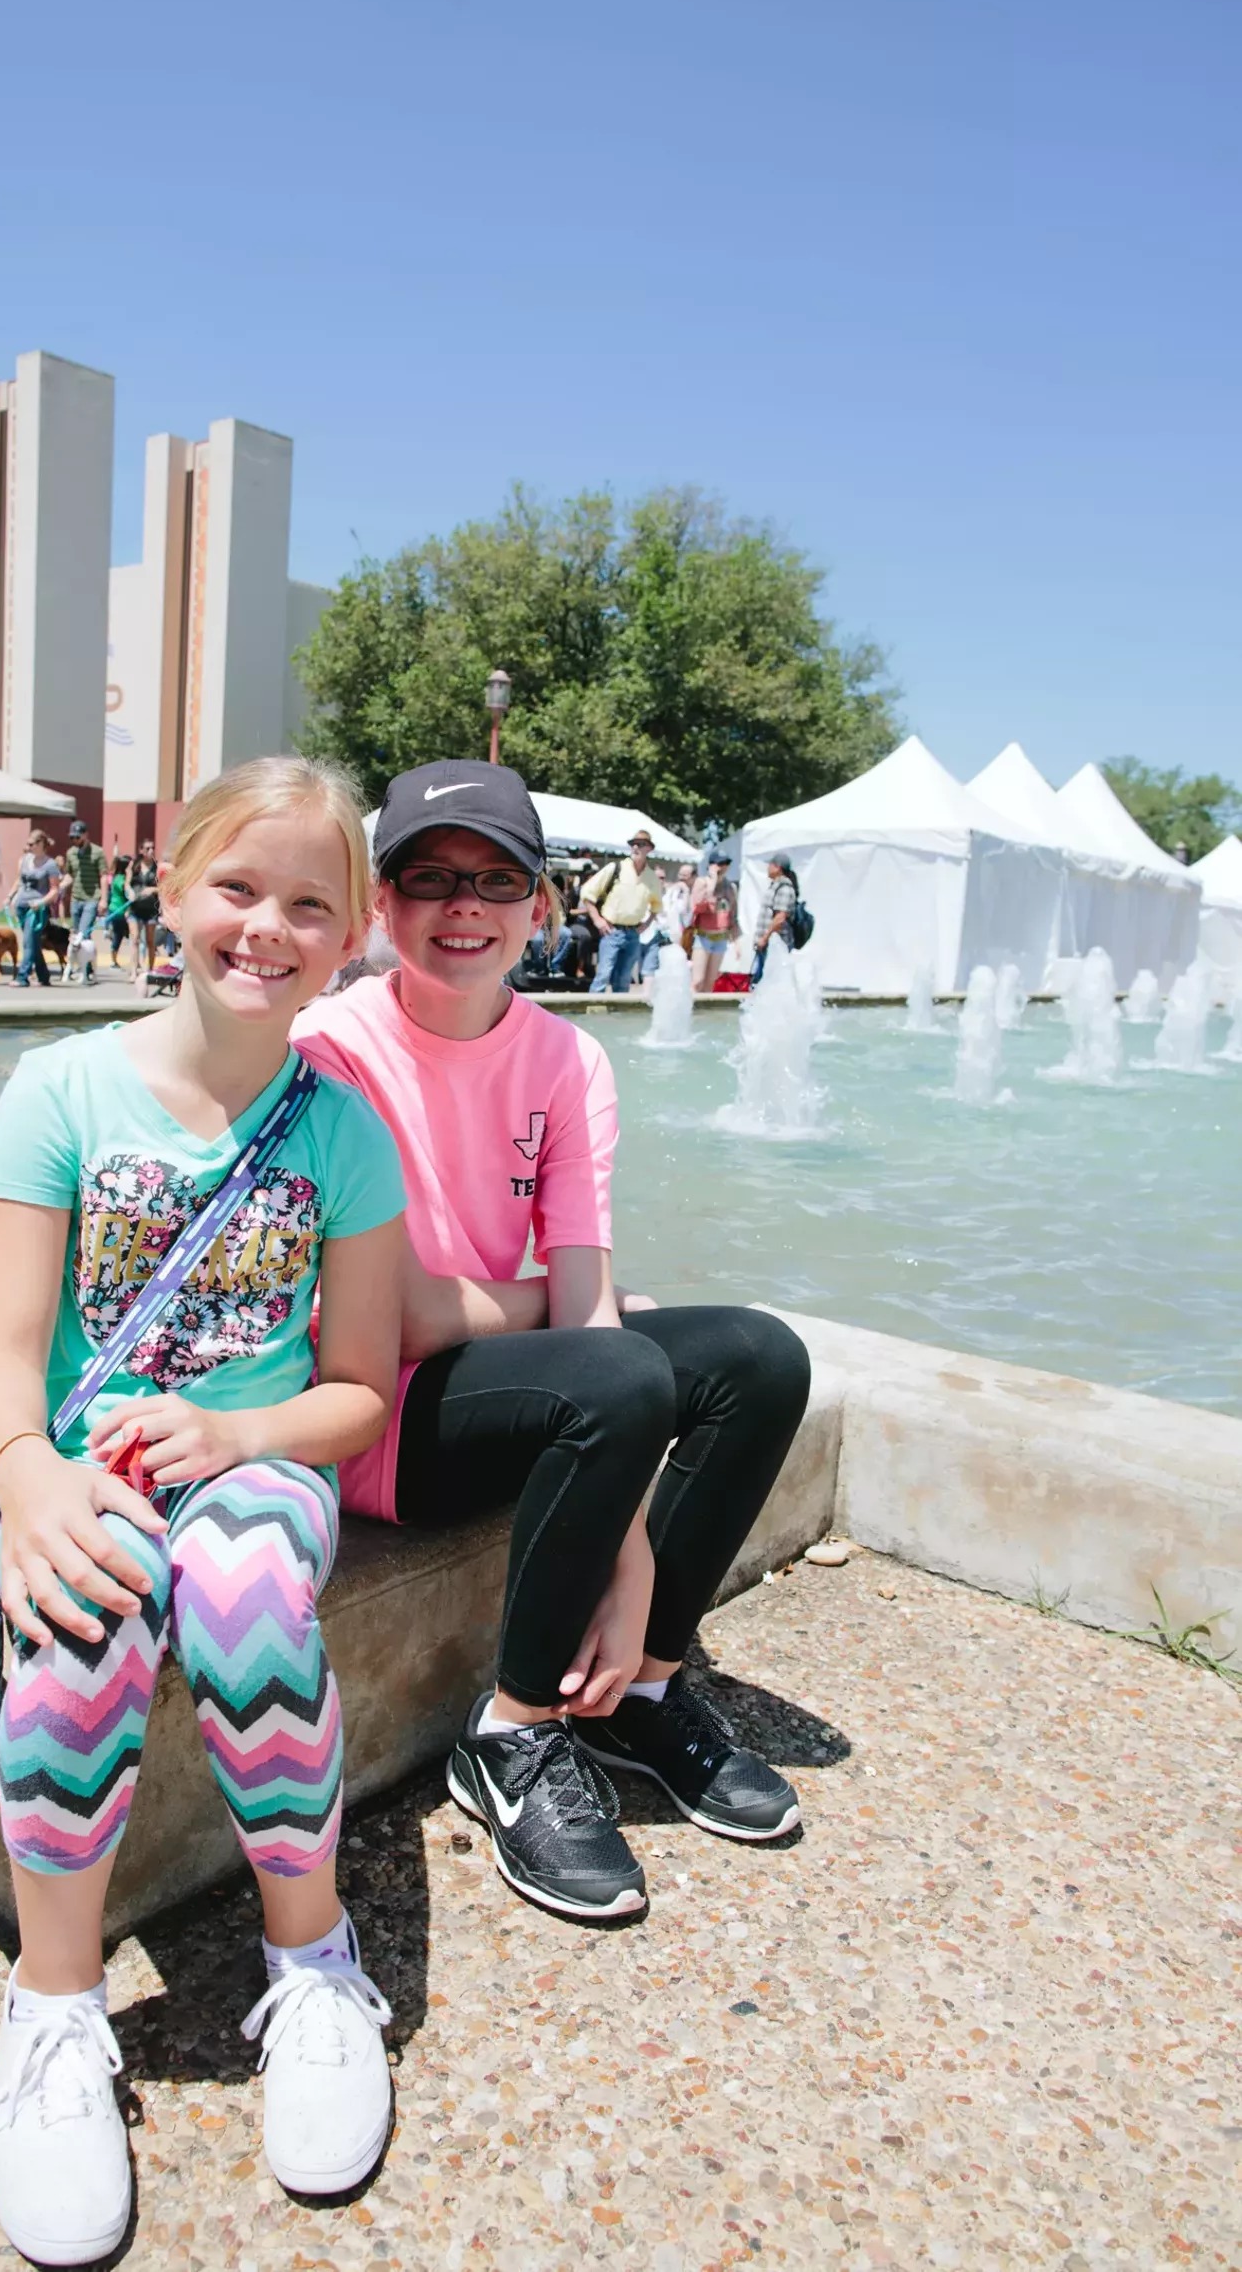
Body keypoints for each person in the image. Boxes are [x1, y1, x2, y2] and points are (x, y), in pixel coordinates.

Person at [0, 757, 406, 2260]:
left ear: (350, 940)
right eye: (237, 885)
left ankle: (315, 1961)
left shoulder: (342, 1131)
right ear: (171, 886)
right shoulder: (62, 1088)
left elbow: (357, 1388)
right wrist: (28, 1481)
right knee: (77, 1620)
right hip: (80, 1457)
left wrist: (238, 1429)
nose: (266, 925)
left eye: (308, 904)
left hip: (260, 1449)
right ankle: (56, 2012)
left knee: (246, 1603)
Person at [294, 759, 812, 1925]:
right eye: (429, 877)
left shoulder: (568, 1059)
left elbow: (589, 1297)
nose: (463, 905)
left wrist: (630, 1566)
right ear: (383, 905)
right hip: (378, 1414)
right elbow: (411, 1318)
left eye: (498, 878)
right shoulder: (333, 1051)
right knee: (619, 1355)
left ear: (542, 907)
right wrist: (561, 1303)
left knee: (758, 1356)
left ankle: (644, 1684)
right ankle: (513, 1730)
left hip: (512, 1382)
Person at [581, 829, 662, 992]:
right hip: (611, 930)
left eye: (641, 844)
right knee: (603, 976)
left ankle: (618, 1016)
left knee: (624, 980)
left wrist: (645, 925)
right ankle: (593, 1014)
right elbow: (587, 893)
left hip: (633, 933)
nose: (636, 847)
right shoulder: (616, 867)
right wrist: (598, 920)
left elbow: (657, 906)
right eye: (633, 844)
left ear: (649, 849)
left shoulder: (651, 877)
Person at [6, 829, 63, 988]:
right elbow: (19, 881)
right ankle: (44, 976)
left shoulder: (50, 865)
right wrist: (10, 896)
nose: (28, 847)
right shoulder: (24, 860)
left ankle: (23, 977)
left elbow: (54, 890)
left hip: (38, 909)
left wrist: (41, 902)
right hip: (22, 906)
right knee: (33, 942)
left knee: (28, 941)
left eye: (31, 844)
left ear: (41, 844)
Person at [61, 820, 108, 983]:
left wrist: (103, 899)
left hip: (92, 898)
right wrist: (61, 886)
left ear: (85, 835)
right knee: (75, 934)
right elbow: (69, 874)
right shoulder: (70, 853)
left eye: (77, 837)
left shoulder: (98, 852)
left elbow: (103, 876)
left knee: (83, 932)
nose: (74, 840)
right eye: (72, 838)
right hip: (76, 897)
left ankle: (86, 970)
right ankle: (81, 967)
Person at [689, 849, 738, 991]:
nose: (723, 867)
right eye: (719, 863)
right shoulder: (701, 882)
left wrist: (736, 941)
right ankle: (691, 1010)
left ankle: (704, 1012)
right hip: (703, 936)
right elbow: (697, 907)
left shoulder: (730, 887)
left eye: (726, 863)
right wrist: (711, 886)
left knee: (710, 982)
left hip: (721, 938)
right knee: (697, 981)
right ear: (711, 865)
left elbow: (733, 914)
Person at [752, 852, 798, 985]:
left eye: (770, 865)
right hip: (768, 943)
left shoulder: (784, 888)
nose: (768, 868)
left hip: (774, 944)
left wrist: (764, 938)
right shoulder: (775, 886)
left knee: (769, 980)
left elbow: (780, 917)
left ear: (777, 867)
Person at [127, 839, 161, 984]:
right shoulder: (134, 865)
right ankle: (134, 971)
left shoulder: (157, 867)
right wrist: (129, 892)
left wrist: (152, 889)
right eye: (147, 848)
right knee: (134, 939)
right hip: (134, 908)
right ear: (141, 850)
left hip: (150, 909)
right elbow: (126, 884)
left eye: (152, 848)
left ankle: (151, 970)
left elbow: (164, 887)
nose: (151, 851)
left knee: (150, 941)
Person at [104, 852, 130, 966]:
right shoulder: (121, 879)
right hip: (119, 910)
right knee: (119, 935)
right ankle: (114, 960)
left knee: (119, 935)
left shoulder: (116, 877)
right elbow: (126, 890)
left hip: (115, 909)